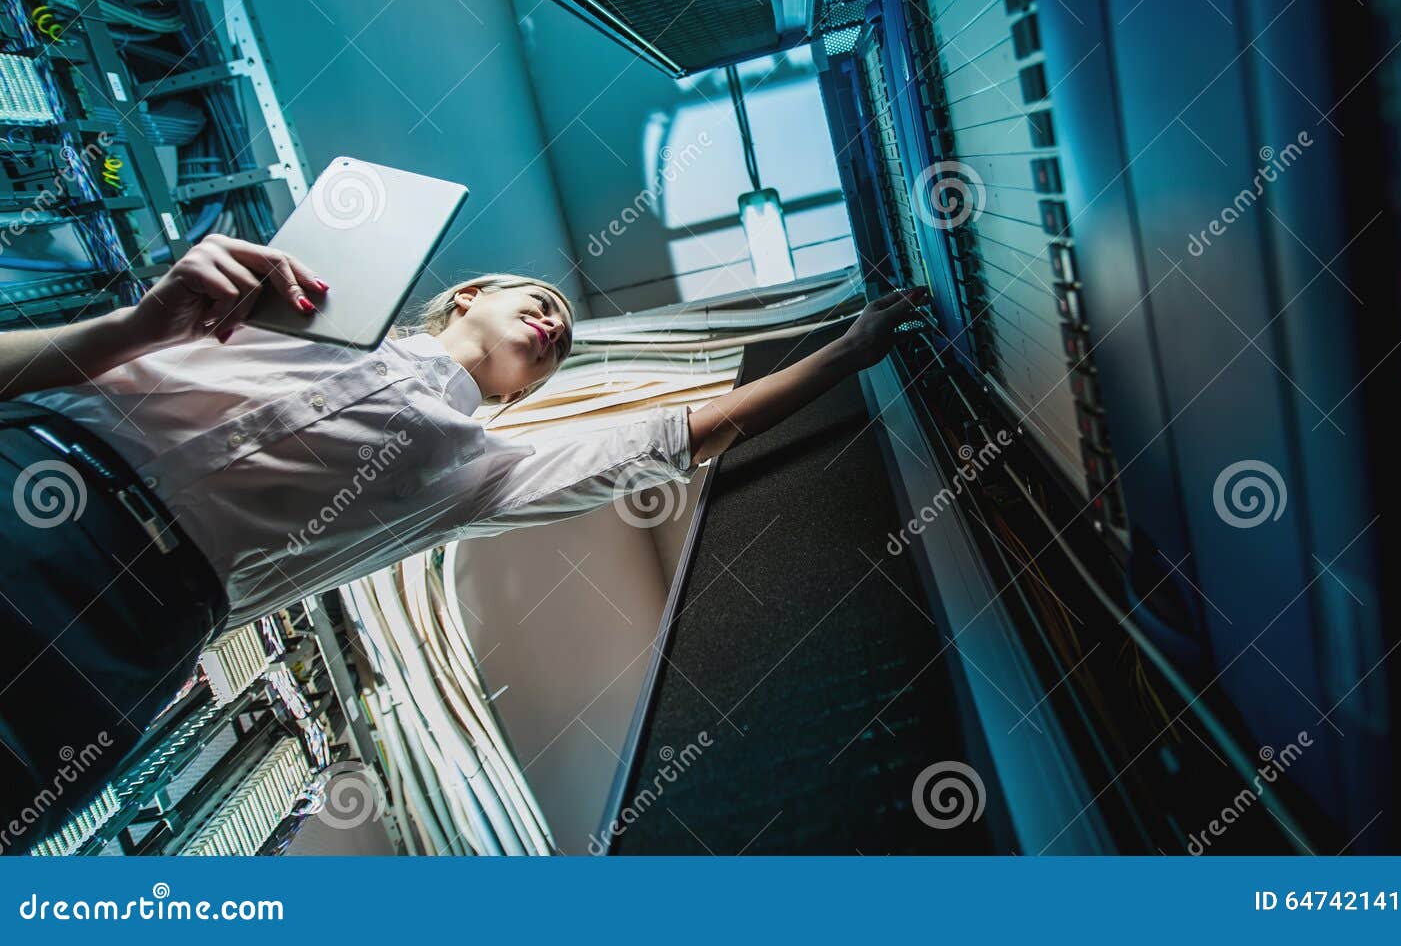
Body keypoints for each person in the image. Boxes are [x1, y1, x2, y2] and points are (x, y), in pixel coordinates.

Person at [0, 232, 927, 851]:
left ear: (524, 395)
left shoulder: (480, 469)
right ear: (471, 296)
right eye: (544, 301)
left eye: (561, 339)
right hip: (31, 474)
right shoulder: (292, 302)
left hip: (126, 637)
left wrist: (845, 354)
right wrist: (135, 325)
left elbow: (681, 438)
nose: (556, 323)